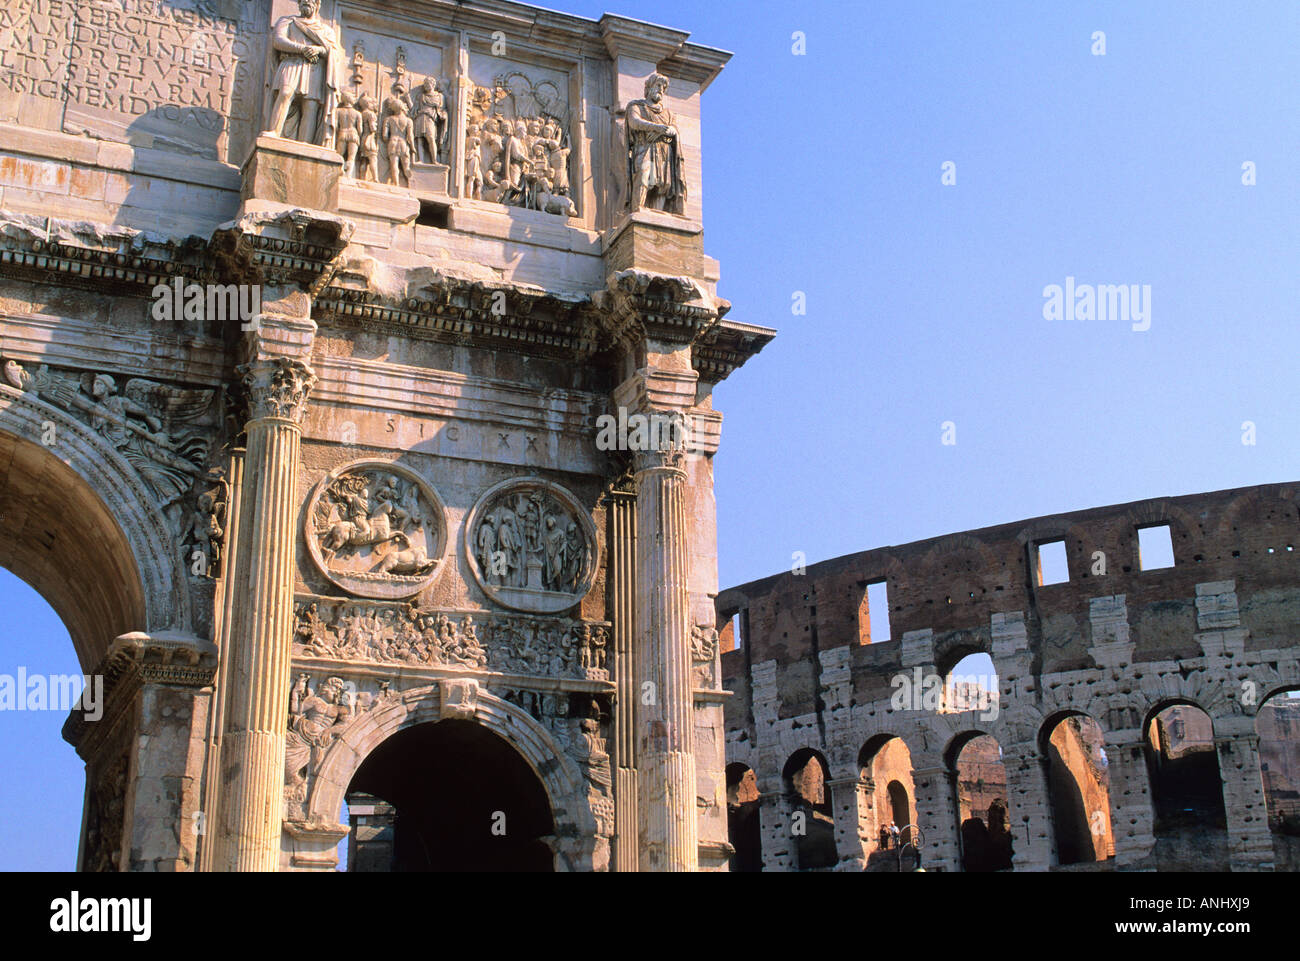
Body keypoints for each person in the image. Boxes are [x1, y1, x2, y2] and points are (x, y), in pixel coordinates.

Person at [263, 0, 346, 148]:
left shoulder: (326, 30)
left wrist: (318, 50)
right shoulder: (288, 21)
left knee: (310, 105)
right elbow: (278, 40)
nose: (306, 2)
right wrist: (302, 49)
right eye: (303, 0)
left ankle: (305, 144)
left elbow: (333, 51)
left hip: (314, 68)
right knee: (285, 93)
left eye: (311, 0)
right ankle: (274, 131)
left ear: (317, 5)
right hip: (291, 62)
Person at [625, 71, 687, 213]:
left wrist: (666, 132)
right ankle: (637, 209)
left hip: (664, 150)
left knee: (663, 184)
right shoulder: (637, 106)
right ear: (649, 87)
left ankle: (659, 213)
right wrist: (658, 128)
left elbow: (673, 131)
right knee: (643, 175)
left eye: (663, 88)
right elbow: (635, 122)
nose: (661, 90)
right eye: (658, 85)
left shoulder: (668, 114)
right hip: (644, 147)